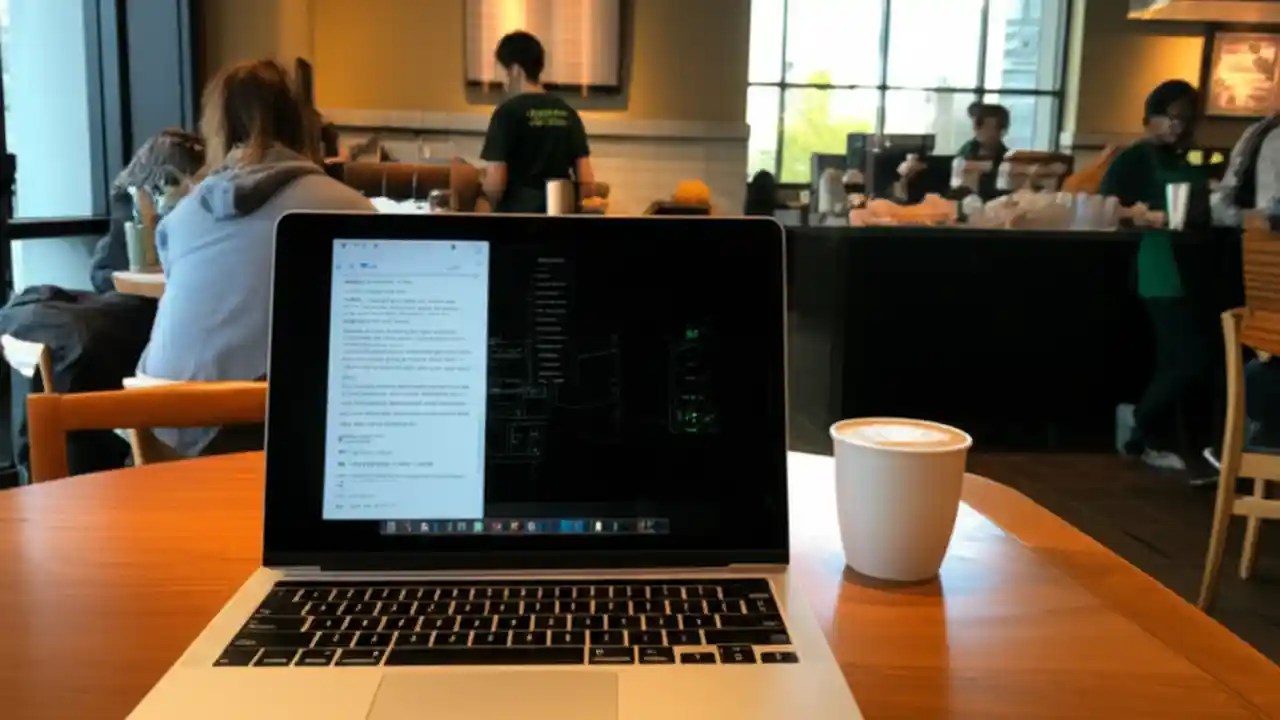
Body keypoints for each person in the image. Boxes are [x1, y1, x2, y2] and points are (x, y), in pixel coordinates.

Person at [137, 59, 372, 457]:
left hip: (157, 437)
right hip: (254, 441)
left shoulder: (181, 216)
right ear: (300, 122)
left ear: (217, 128)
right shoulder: (349, 209)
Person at [0, 129, 205, 484]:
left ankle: (45, 476)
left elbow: (103, 272)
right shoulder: (201, 201)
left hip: (111, 320)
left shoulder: (149, 188)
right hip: (151, 322)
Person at [1101, 80, 1217, 480]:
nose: (1178, 126)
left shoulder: (1189, 157)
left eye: (1186, 119)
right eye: (1172, 117)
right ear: (1150, 117)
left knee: (1177, 357)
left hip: (1195, 263)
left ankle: (1143, 433)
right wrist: (1145, 215)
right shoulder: (1135, 158)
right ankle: (1140, 426)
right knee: (1187, 357)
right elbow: (1107, 206)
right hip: (1158, 259)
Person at [480, 31, 594, 213]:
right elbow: (586, 180)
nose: (501, 81)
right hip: (559, 217)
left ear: (515, 71)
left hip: (517, 219)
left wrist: (486, 201)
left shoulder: (507, 112)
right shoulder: (567, 112)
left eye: (502, 72)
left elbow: (495, 182)